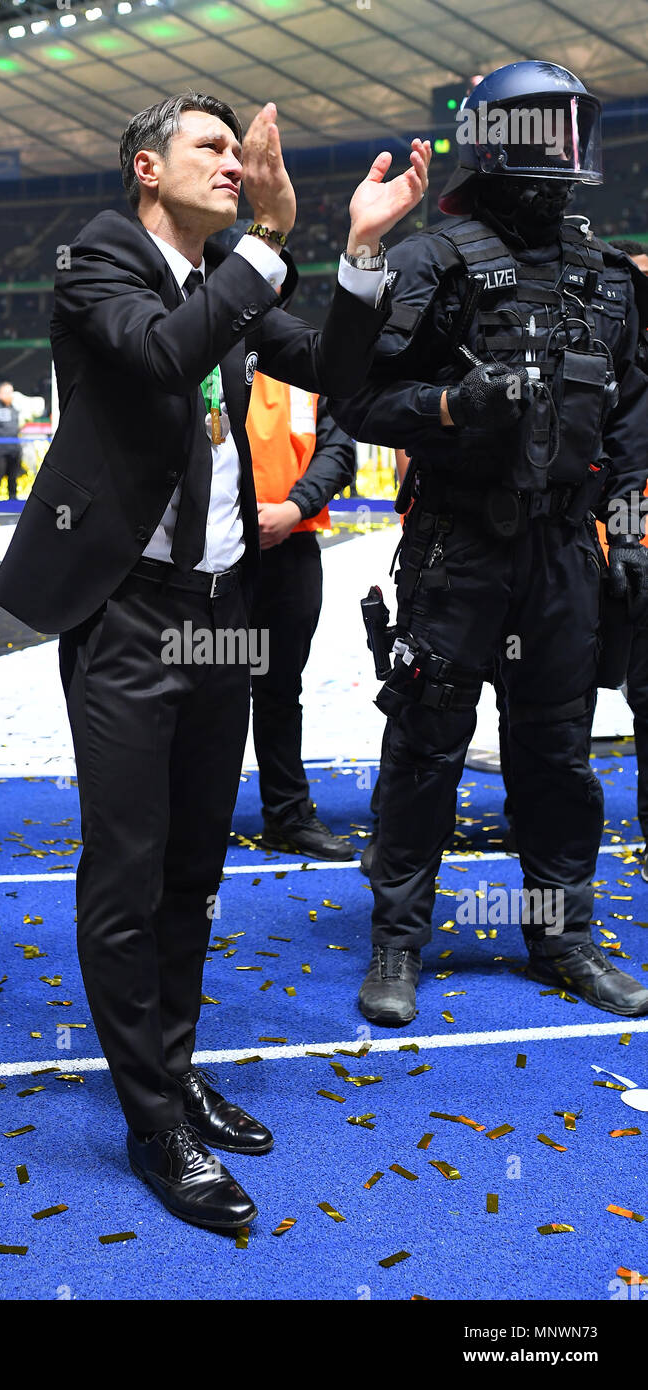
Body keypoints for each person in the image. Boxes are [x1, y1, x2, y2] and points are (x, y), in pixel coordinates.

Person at [0, 92, 431, 1230]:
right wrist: (269, 243)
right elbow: (161, 355)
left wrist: (360, 249)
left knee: (193, 866)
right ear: (148, 167)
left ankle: (173, 1069)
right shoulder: (102, 260)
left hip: (221, 607)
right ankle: (152, 1125)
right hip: (128, 612)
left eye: (241, 152)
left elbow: (331, 363)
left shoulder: (225, 277)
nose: (235, 166)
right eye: (212, 149)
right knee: (128, 874)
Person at [333, 62, 648, 1026]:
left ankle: (560, 939)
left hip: (565, 553)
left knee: (557, 758)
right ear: (493, 138)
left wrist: (631, 530)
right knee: (426, 744)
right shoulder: (432, 262)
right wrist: (448, 404)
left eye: (570, 127)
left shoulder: (607, 271)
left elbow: (635, 416)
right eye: (538, 126)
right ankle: (398, 943)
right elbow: (357, 396)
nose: (560, 147)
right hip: (456, 546)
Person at [247, 371, 359, 859]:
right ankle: (186, 814)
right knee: (202, 687)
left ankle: (287, 817)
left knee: (278, 688)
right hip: (209, 550)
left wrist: (295, 507)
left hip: (289, 550)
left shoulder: (308, 365)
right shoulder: (202, 349)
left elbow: (338, 451)